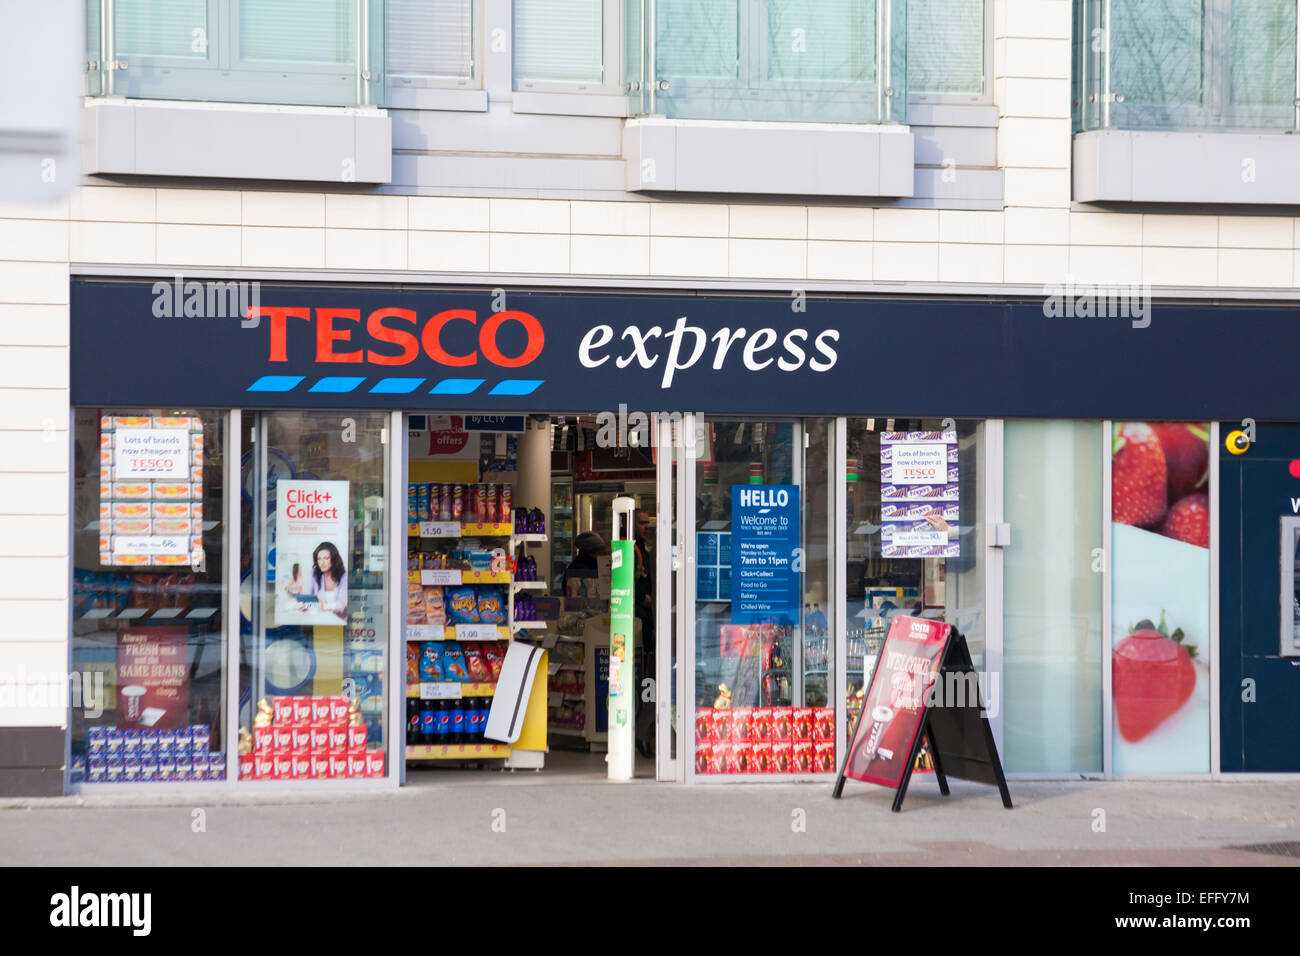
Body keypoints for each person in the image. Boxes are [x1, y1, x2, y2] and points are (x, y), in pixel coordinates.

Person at [632, 509, 655, 758]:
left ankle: (644, 731)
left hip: (646, 621)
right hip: (641, 621)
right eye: (642, 523)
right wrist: (646, 599)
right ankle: (642, 731)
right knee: (648, 679)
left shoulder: (643, 549)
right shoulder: (634, 551)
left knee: (648, 680)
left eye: (647, 523)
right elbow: (633, 584)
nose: (646, 527)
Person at [305, 541, 348, 621]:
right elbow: (307, 598)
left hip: (339, 621)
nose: (322, 562)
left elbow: (342, 605)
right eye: (319, 559)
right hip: (319, 620)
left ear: (334, 559)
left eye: (326, 558)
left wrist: (323, 606)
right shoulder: (313, 573)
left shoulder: (344, 576)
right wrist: (304, 605)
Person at [562, 530, 608, 599]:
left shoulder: (573, 567)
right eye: (600, 553)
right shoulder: (586, 570)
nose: (601, 557)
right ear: (592, 553)